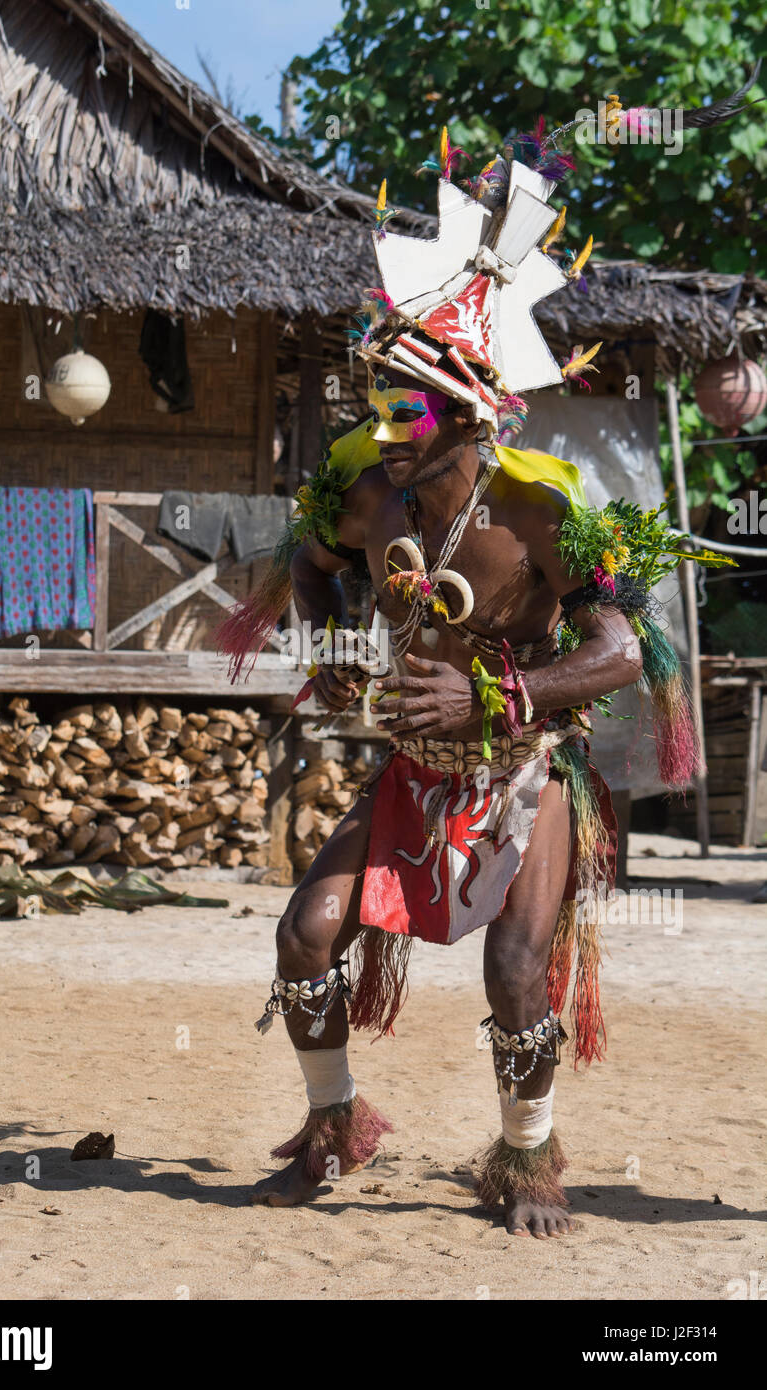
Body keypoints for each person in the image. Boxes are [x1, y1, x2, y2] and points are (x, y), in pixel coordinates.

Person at [218, 103, 734, 1235]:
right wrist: (337, 652)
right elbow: (308, 569)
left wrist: (491, 692)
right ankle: (329, 1129)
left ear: (466, 413)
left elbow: (611, 651)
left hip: (521, 775)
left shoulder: (539, 513)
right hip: (412, 774)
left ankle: (525, 1156)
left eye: (408, 403)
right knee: (305, 930)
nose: (384, 421)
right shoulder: (369, 495)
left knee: (512, 969)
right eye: (380, 396)